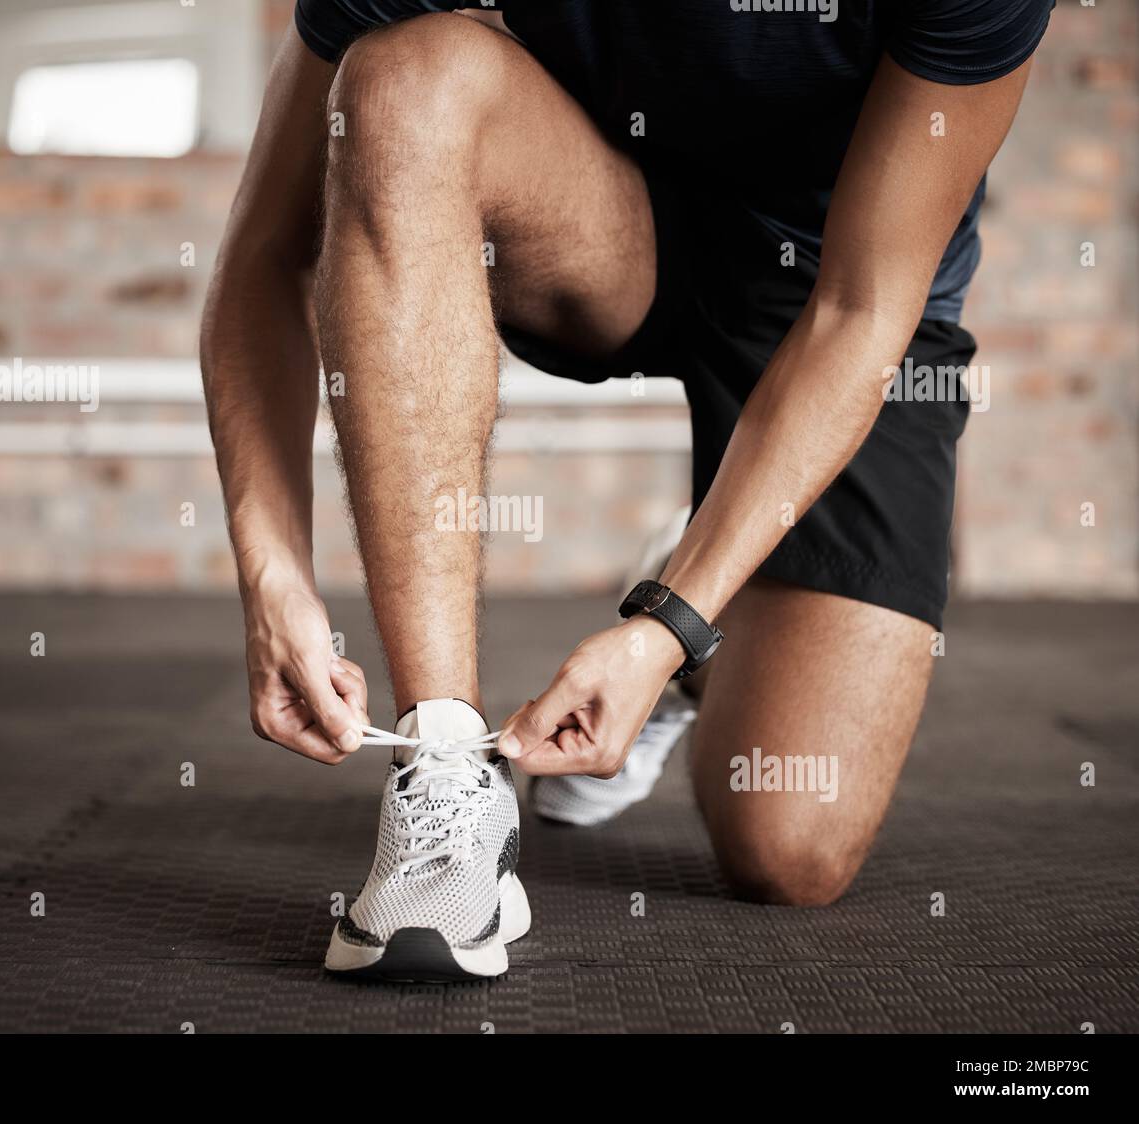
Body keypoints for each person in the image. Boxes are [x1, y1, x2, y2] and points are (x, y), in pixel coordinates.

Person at [200, 0, 1054, 980]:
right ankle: (447, 776)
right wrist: (272, 577)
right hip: (602, 213)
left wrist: (670, 623)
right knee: (406, 80)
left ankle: (702, 595)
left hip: (832, 289)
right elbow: (264, 254)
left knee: (790, 847)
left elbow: (862, 310)